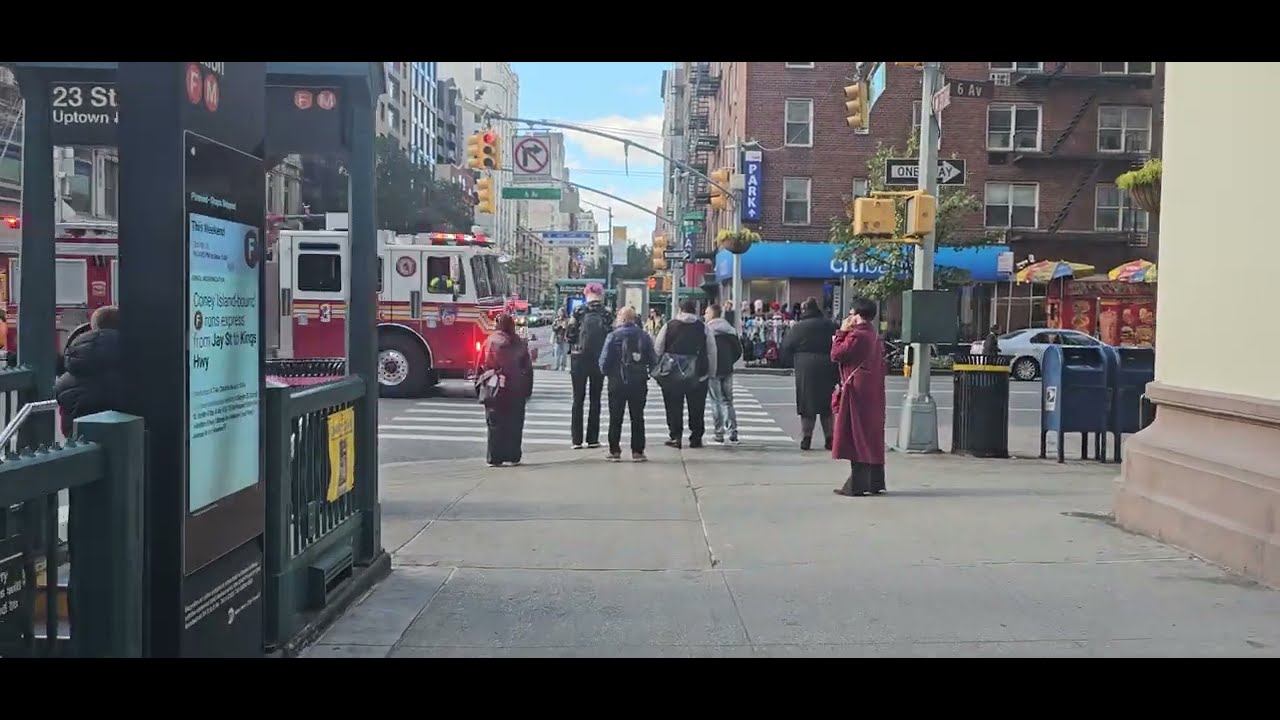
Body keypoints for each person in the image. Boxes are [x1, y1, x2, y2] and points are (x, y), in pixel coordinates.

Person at [830, 298, 887, 497]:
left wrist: (841, 332)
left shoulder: (857, 336)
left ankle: (857, 484)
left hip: (856, 391)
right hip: (872, 390)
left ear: (857, 315)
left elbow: (836, 354)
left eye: (851, 313)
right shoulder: (874, 335)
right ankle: (874, 481)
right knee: (871, 436)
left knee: (857, 435)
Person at [653, 298, 717, 449]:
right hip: (698, 373)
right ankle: (696, 437)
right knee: (697, 407)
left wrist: (659, 366)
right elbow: (711, 352)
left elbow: (658, 348)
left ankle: (676, 436)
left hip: (672, 373)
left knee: (673, 405)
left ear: (680, 309)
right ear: (695, 310)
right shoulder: (703, 328)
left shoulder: (669, 326)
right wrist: (711, 372)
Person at [54, 305, 124, 438]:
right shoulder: (140, 371)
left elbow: (65, 426)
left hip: (80, 444)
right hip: (130, 442)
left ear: (92, 327)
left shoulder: (64, 383)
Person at [598, 305, 658, 462]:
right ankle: (638, 451)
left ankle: (614, 451)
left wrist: (607, 373)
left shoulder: (613, 336)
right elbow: (653, 359)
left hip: (617, 381)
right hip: (638, 381)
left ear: (622, 319)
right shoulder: (644, 336)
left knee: (615, 417)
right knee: (637, 417)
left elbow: (604, 361)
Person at [781, 297, 839, 451]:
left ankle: (806, 438)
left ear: (805, 310)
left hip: (805, 367)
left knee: (807, 404)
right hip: (828, 365)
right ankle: (829, 438)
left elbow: (786, 346)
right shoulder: (830, 325)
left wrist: (792, 362)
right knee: (827, 405)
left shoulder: (798, 327)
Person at [476, 313, 534, 467]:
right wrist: (527, 390)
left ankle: (495, 457)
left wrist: (479, 385)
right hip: (516, 388)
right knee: (515, 424)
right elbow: (528, 369)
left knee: (495, 424)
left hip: (496, 388)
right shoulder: (520, 343)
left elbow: (481, 365)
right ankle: (513, 455)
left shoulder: (491, 341)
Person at [565, 282, 614, 449]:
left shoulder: (578, 311)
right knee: (595, 399)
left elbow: (570, 335)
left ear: (586, 294)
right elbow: (611, 335)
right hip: (598, 359)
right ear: (601, 295)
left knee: (577, 399)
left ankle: (576, 440)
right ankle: (592, 439)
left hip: (579, 358)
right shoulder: (607, 312)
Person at [703, 303, 742, 444]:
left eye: (706, 313)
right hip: (727, 369)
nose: (705, 315)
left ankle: (719, 433)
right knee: (728, 401)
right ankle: (733, 431)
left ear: (712, 314)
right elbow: (738, 350)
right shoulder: (730, 330)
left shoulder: (707, 331)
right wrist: (730, 361)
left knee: (716, 401)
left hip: (713, 370)